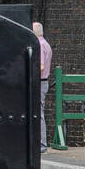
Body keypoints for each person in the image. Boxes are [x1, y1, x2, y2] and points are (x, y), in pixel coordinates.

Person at [33, 21, 52, 152]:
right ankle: (41, 144)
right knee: (39, 113)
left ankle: (42, 145)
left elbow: (40, 66)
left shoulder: (39, 44)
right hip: (44, 82)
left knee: (39, 114)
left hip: (39, 82)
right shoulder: (46, 44)